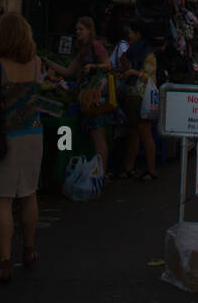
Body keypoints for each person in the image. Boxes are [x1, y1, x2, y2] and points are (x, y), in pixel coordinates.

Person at [0, 12, 43, 283]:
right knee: (29, 194)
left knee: (3, 199)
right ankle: (28, 250)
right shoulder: (37, 63)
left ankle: (4, 261)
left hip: (5, 138)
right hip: (34, 134)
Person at [49, 16, 113, 176]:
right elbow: (68, 71)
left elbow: (108, 65)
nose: (77, 32)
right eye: (76, 30)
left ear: (90, 30)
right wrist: (48, 62)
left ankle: (100, 175)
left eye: (81, 29)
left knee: (98, 136)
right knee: (83, 130)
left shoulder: (95, 46)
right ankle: (67, 164)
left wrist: (93, 66)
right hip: (83, 98)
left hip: (95, 98)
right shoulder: (81, 51)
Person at [116, 24, 159, 181]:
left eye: (132, 33)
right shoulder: (134, 52)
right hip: (133, 94)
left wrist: (132, 72)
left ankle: (152, 170)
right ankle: (129, 168)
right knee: (133, 132)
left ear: (139, 34)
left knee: (144, 132)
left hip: (143, 96)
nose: (129, 36)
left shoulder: (148, 54)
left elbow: (149, 75)